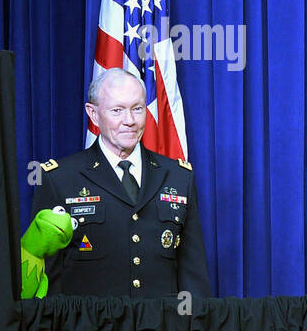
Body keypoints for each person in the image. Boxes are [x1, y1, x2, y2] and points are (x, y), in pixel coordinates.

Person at [30, 67, 211, 297]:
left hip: (161, 329)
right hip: (91, 330)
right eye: (117, 110)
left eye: (137, 109)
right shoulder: (59, 179)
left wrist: (194, 329)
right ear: (93, 114)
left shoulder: (178, 176)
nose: (130, 121)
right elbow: (49, 279)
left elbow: (193, 274)